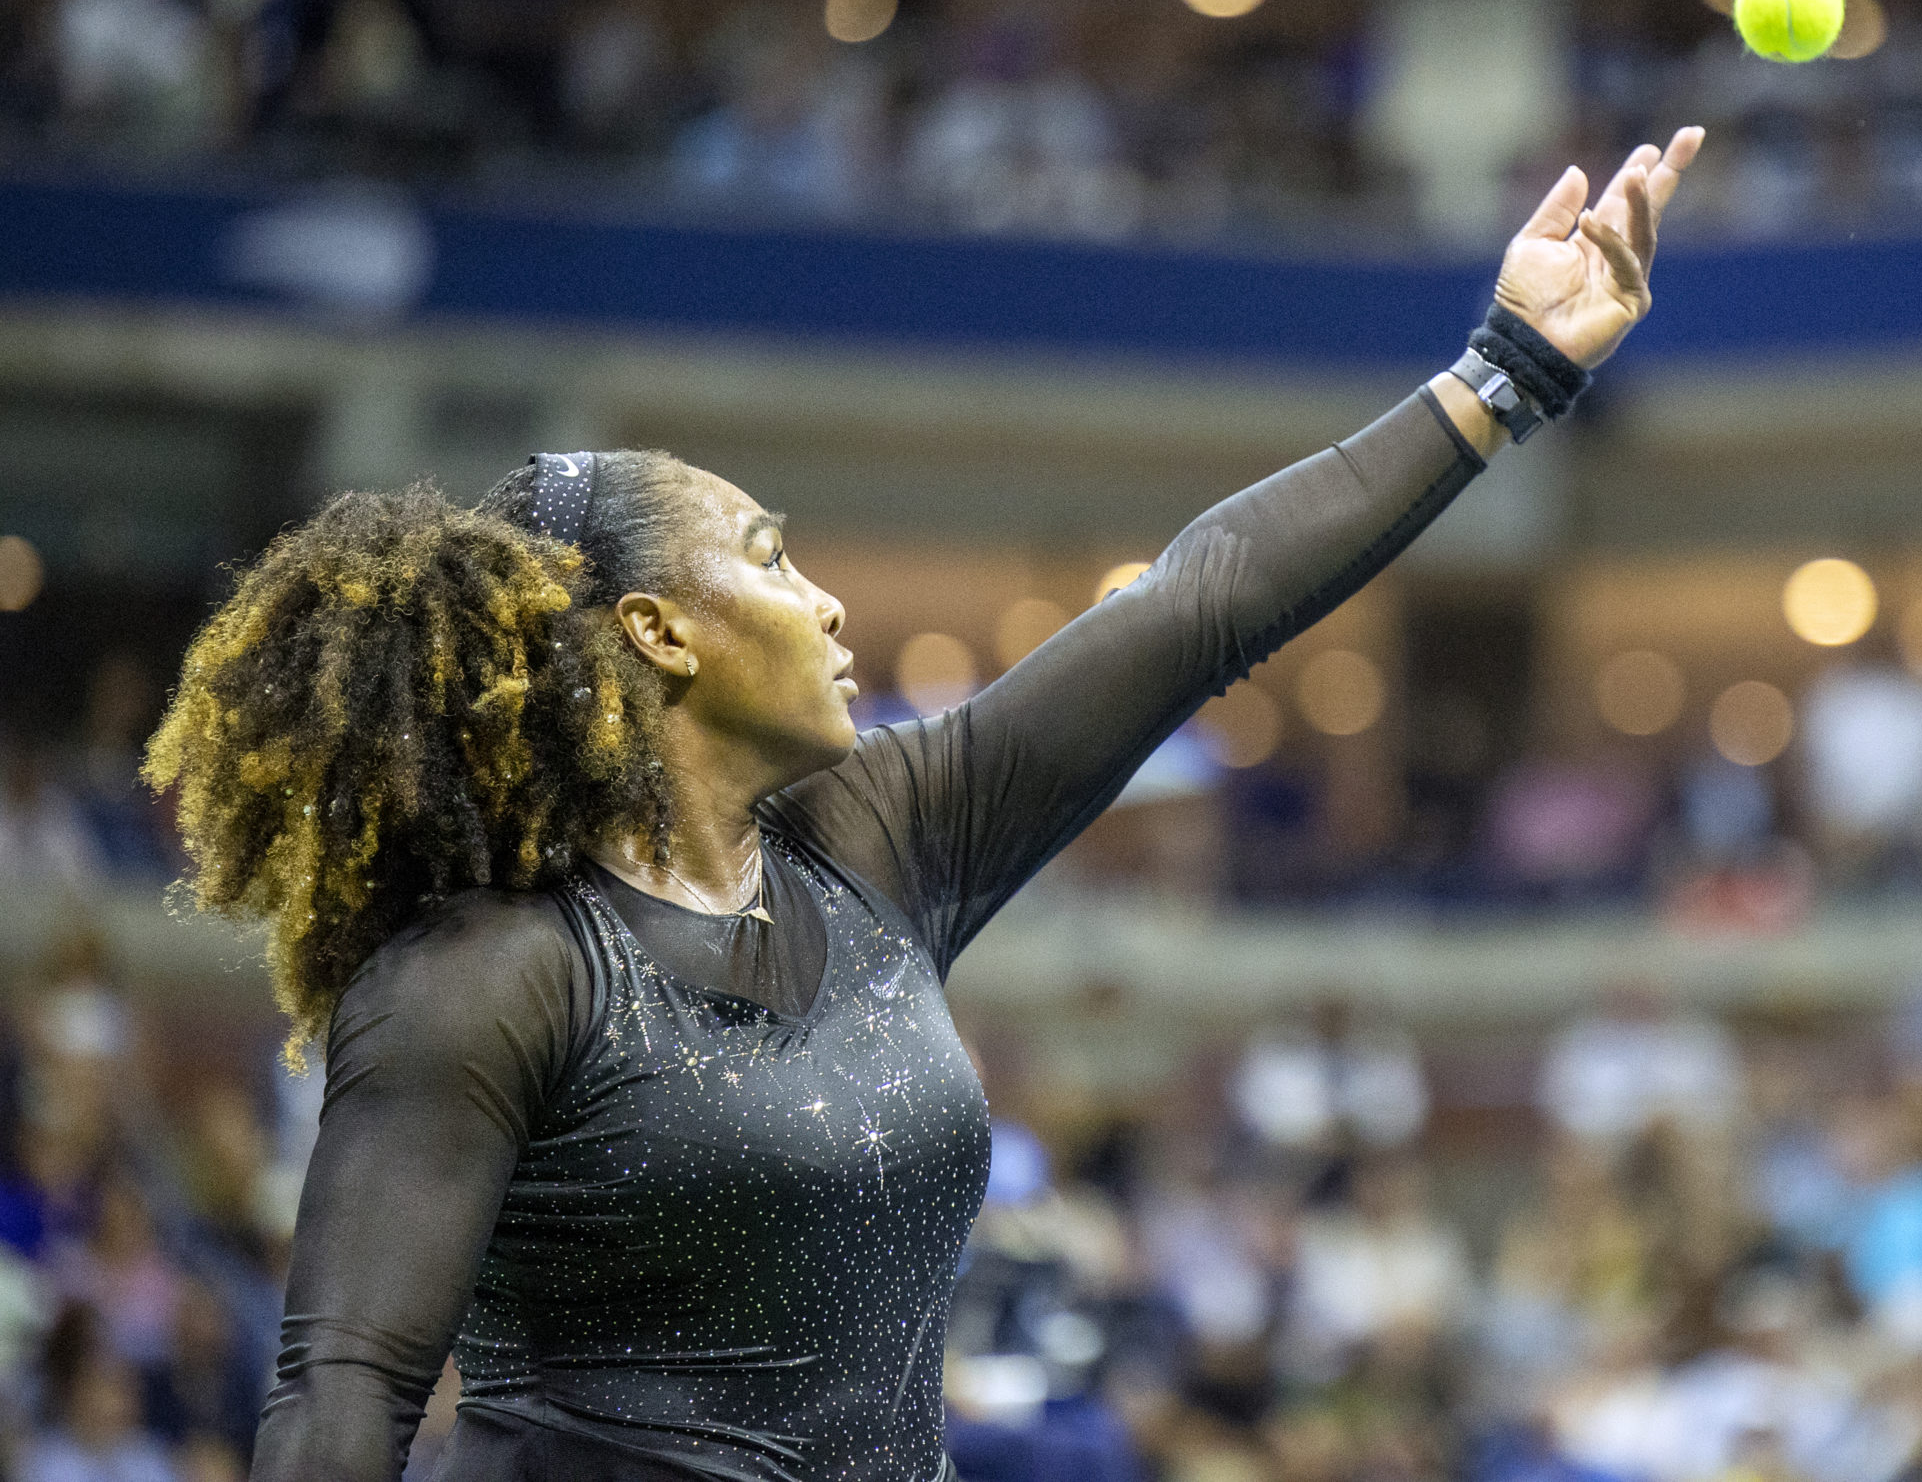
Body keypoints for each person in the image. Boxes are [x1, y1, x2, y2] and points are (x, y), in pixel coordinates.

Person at [142, 128, 1705, 1481]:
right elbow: (340, 1397)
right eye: (764, 556)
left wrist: (1508, 365)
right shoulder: (485, 977)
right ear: (655, 634)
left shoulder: (875, 844)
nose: (824, 604)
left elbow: (1192, 607)